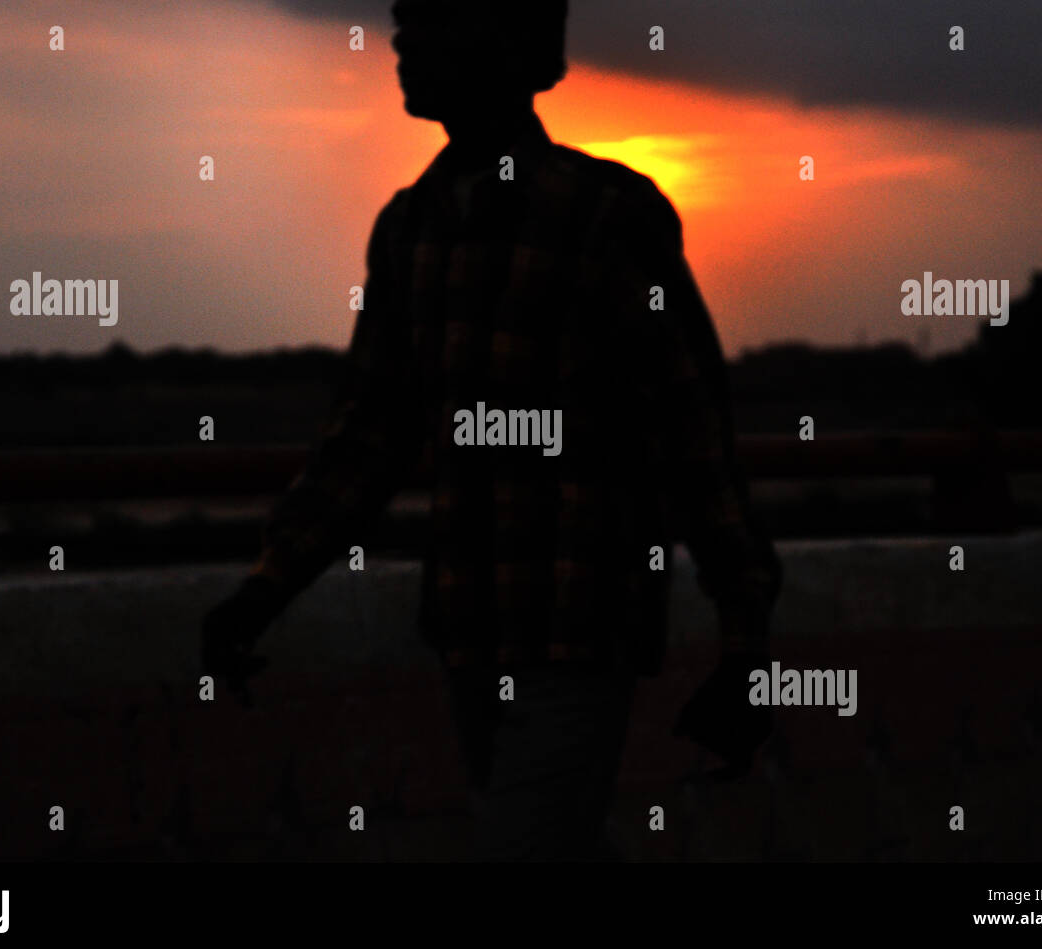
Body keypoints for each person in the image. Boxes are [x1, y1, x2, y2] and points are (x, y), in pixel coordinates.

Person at [202, 0, 782, 861]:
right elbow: (367, 438)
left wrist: (746, 646)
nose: (399, 36)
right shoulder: (410, 230)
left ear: (505, 44)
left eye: (429, 17)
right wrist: (262, 589)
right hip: (472, 625)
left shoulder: (606, 216)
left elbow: (693, 432)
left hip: (580, 621)